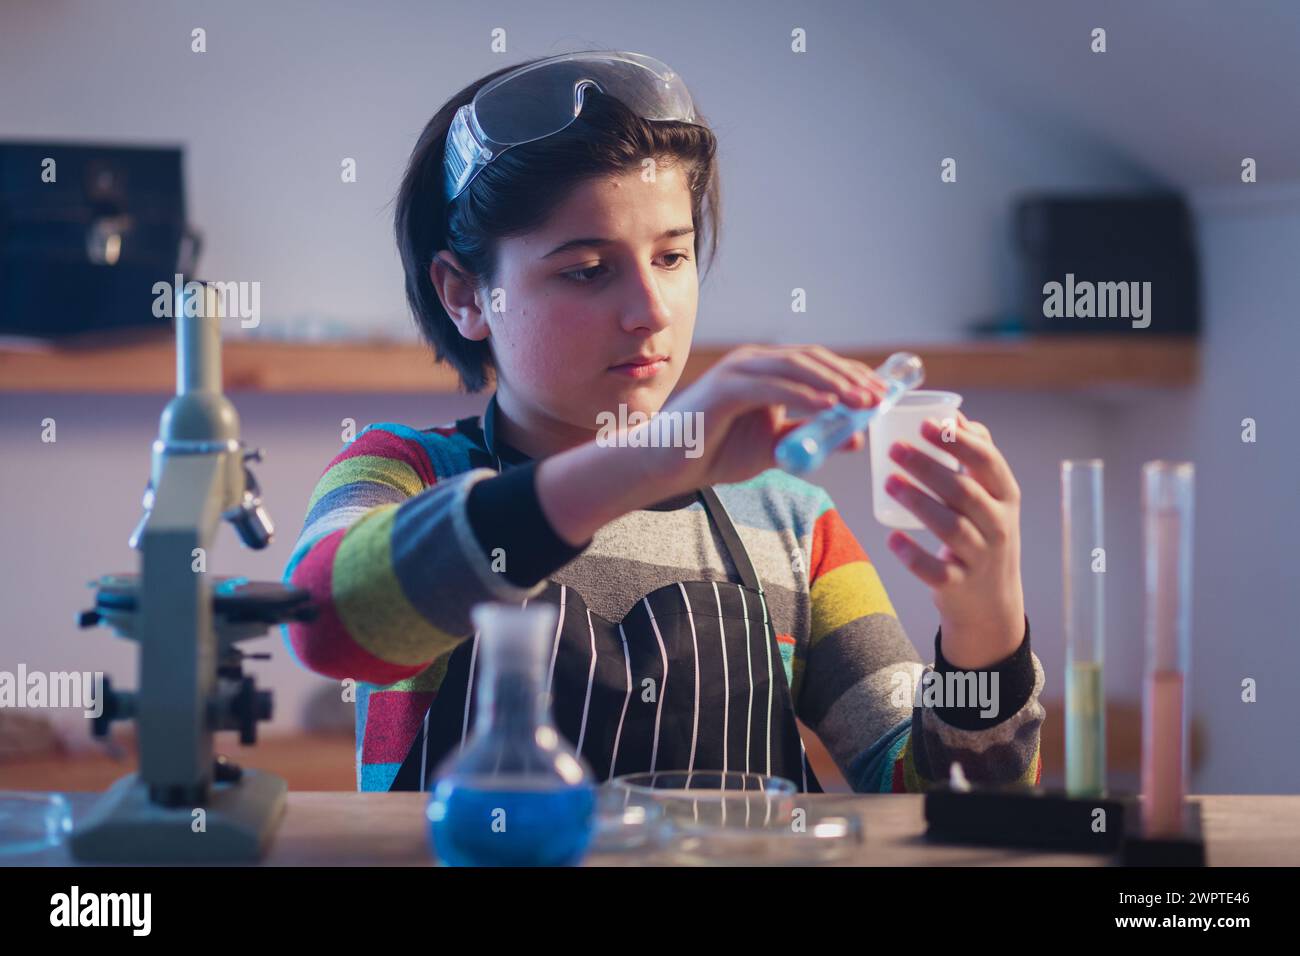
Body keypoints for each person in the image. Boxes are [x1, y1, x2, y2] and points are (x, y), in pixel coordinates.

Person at [281, 51, 1044, 793]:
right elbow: (326, 623)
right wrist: (646, 461)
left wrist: (986, 623)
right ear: (465, 295)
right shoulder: (403, 474)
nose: (650, 312)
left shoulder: (790, 523)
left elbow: (942, 799)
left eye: (672, 258)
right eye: (587, 270)